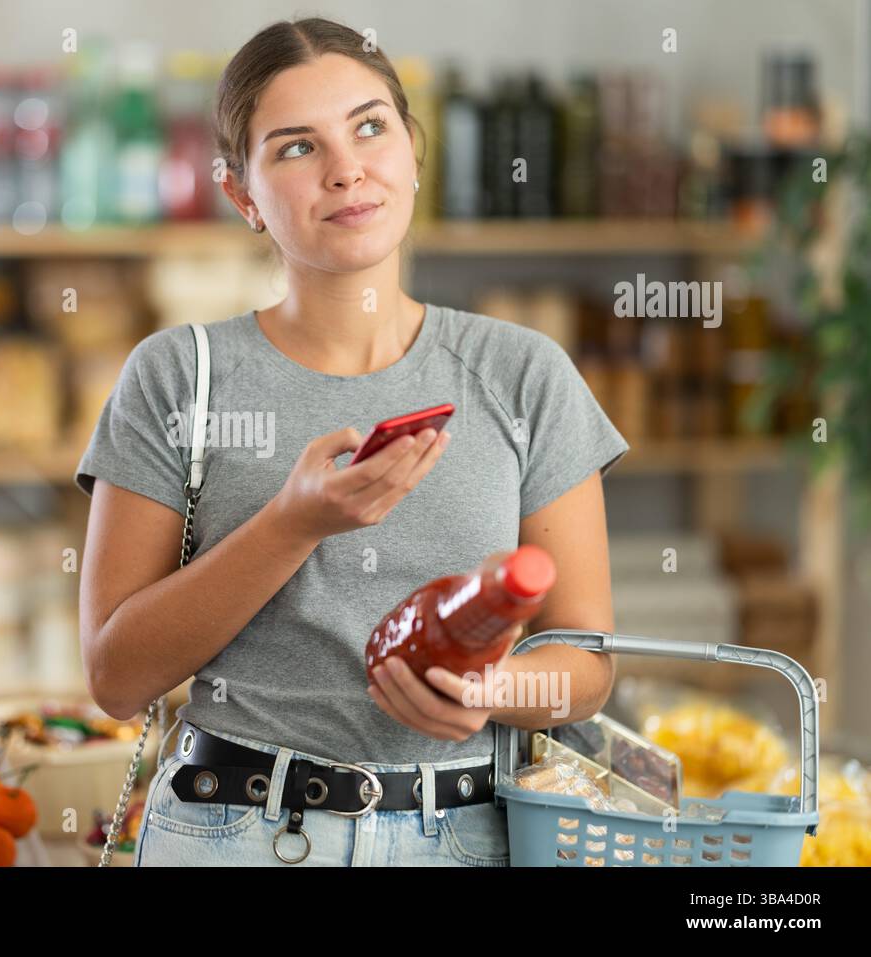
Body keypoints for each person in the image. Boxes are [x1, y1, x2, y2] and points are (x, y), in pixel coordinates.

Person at [74, 16, 628, 866]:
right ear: (243, 195)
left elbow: (586, 662)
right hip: (231, 831)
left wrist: (494, 688)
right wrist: (292, 524)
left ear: (412, 148)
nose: (347, 169)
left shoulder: (525, 373)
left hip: (467, 835)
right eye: (297, 147)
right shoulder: (179, 375)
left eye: (371, 127)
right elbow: (116, 679)